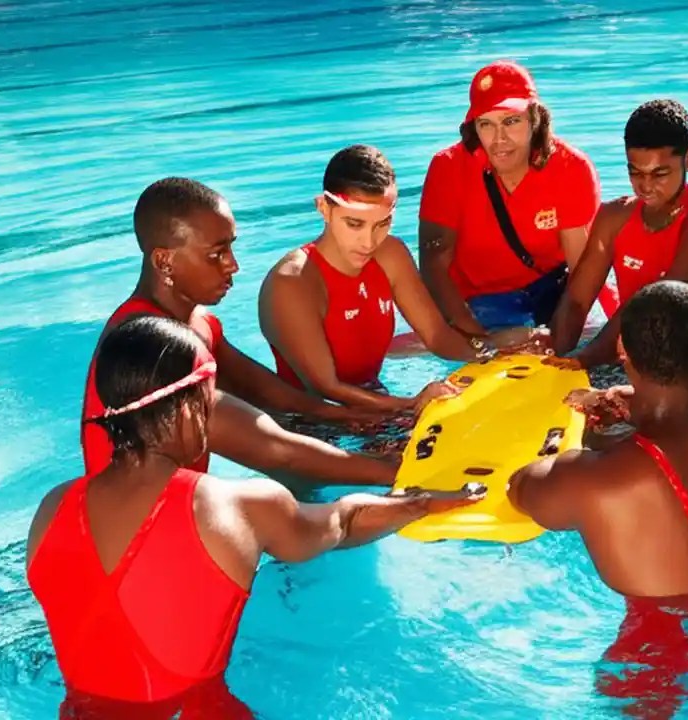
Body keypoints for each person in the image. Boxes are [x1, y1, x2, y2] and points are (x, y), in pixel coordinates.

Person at [32, 316, 483, 717]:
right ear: (190, 405)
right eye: (210, 401)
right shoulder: (235, 508)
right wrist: (422, 502)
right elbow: (341, 522)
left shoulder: (51, 510)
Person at [509, 281, 688, 717]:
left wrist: (584, 444)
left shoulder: (590, 479)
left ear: (623, 350)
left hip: (660, 655)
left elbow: (520, 490)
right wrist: (640, 411)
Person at [82, 177, 395, 486]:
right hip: (141, 528)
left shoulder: (199, 323)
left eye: (231, 247)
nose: (234, 265)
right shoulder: (148, 350)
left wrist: (373, 419)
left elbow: (273, 397)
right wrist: (398, 470)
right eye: (216, 254)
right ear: (164, 262)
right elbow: (276, 450)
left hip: (179, 507)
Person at [259, 145, 548, 414]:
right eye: (354, 224)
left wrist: (493, 348)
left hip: (381, 401)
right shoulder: (293, 283)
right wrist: (411, 405)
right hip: (317, 422)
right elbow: (327, 387)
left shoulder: (390, 255)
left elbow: (436, 336)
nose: (369, 241)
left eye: (382, 224)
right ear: (323, 208)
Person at [419, 59, 601, 334]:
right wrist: (481, 341)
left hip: (552, 292)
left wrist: (558, 339)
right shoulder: (448, 167)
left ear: (535, 119)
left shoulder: (571, 167)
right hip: (478, 303)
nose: (499, 138)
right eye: (486, 124)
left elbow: (581, 274)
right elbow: (434, 266)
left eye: (511, 121)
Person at [549, 99, 688, 365]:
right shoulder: (613, 218)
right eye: (635, 172)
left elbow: (662, 300)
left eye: (660, 173)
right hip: (627, 349)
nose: (646, 186)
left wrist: (585, 358)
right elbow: (577, 302)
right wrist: (555, 354)